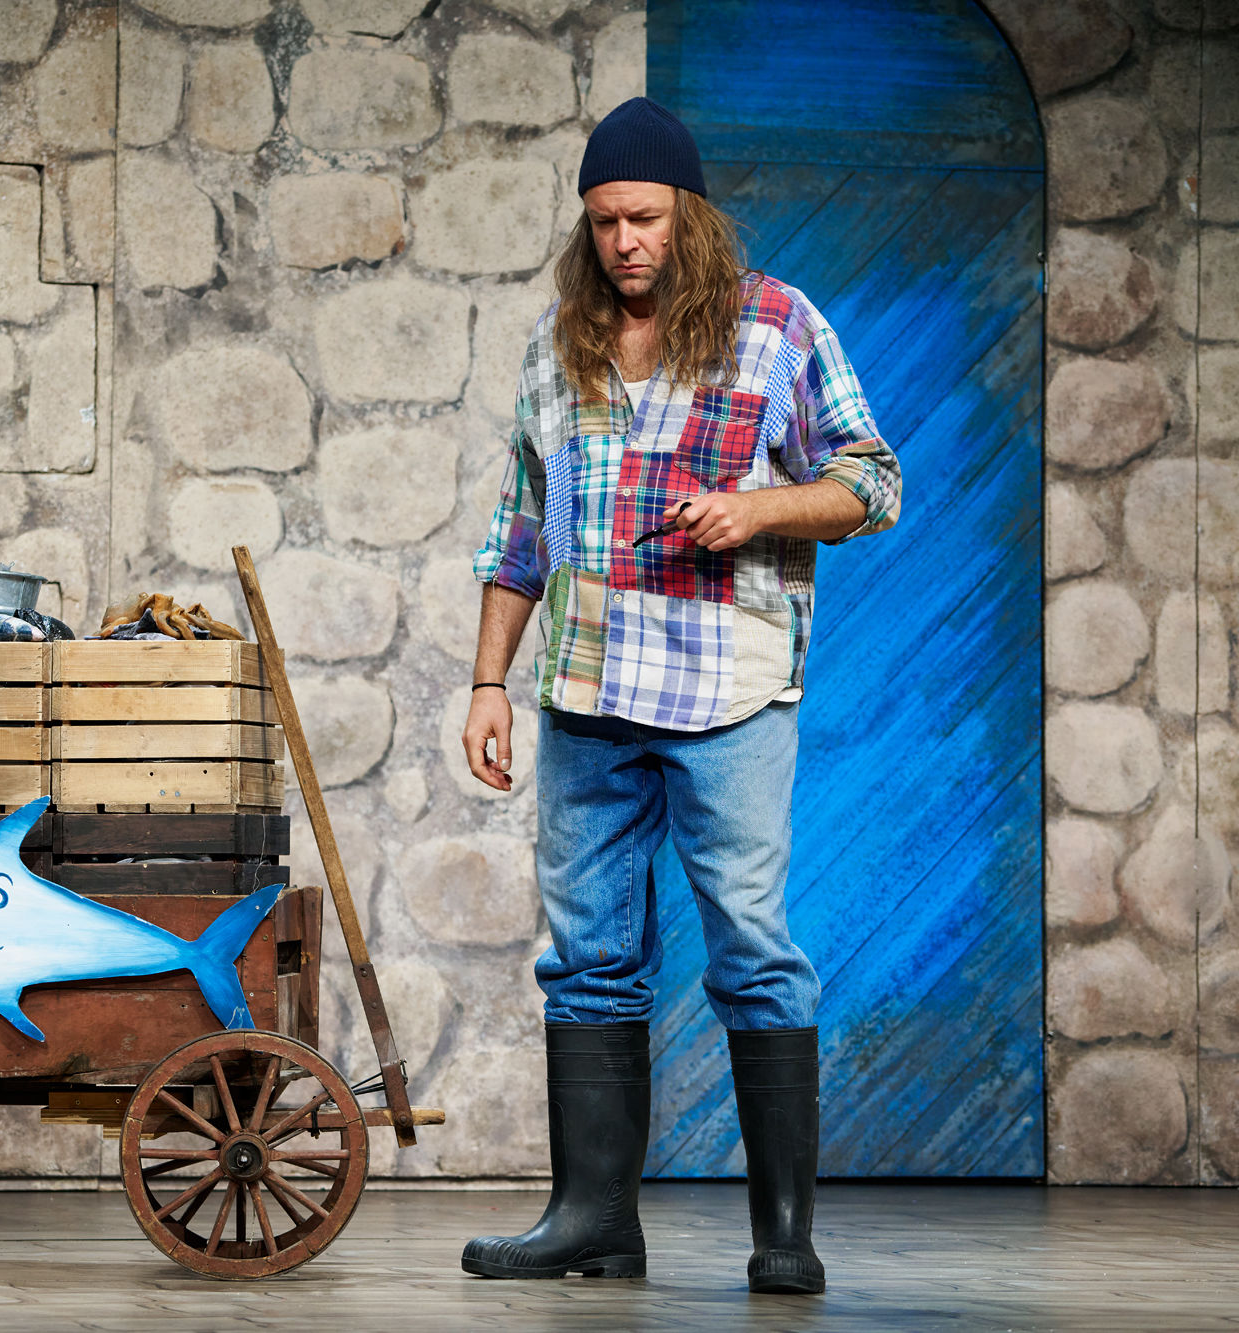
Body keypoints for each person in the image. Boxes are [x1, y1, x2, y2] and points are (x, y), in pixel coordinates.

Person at [458, 97, 902, 1295]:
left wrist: (759, 509)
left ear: (688, 217)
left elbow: (872, 481)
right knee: (588, 957)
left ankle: (783, 1235)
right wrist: (487, 681)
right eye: (602, 222)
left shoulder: (774, 327)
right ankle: (591, 1221)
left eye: (644, 218)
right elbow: (520, 533)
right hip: (587, 694)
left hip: (727, 692)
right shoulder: (558, 347)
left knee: (750, 949)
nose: (623, 242)